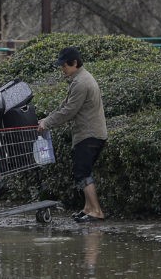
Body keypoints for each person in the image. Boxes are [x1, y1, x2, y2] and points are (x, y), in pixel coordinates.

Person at [38, 46, 108, 222]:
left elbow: (69, 111)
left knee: (82, 172)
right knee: (82, 171)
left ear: (74, 63)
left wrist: (47, 123)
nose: (62, 69)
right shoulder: (78, 80)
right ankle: (88, 208)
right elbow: (64, 106)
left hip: (89, 135)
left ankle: (96, 211)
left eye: (64, 65)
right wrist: (46, 119)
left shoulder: (81, 83)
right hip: (88, 134)